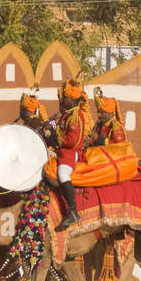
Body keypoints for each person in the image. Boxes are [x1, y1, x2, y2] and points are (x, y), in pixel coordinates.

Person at [54, 74, 94, 230]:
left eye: (65, 98)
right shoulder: (67, 115)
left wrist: (57, 137)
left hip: (71, 154)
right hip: (62, 152)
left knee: (62, 174)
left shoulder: (76, 117)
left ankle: (73, 211)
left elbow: (73, 141)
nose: (62, 100)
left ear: (72, 100)